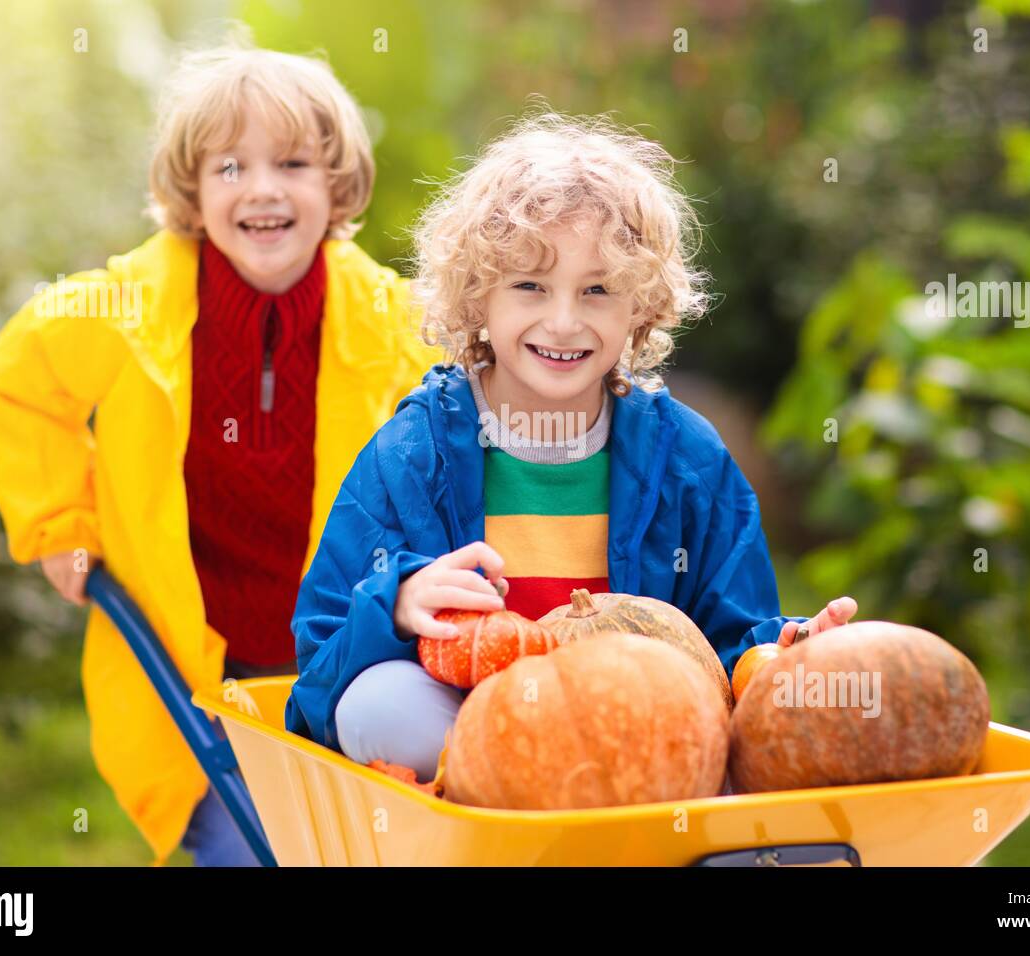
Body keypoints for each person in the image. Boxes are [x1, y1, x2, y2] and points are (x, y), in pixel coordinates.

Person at [0, 36, 438, 864]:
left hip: (345, 655)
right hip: (190, 664)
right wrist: (60, 524)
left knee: (354, 843)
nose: (262, 190)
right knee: (246, 844)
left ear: (337, 186)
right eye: (230, 168)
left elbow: (455, 449)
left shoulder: (396, 327)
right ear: (191, 189)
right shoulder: (121, 311)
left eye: (293, 163)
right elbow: (20, 382)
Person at [284, 110, 855, 781]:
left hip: (642, 734)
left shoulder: (687, 459)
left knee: (764, 737)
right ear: (478, 298)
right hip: (478, 736)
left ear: (639, 308)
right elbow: (320, 665)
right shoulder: (415, 453)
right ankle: (510, 816)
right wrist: (397, 606)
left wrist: (784, 651)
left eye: (597, 291)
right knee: (377, 707)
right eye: (530, 285)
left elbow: (730, 644)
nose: (563, 320)